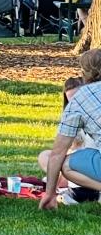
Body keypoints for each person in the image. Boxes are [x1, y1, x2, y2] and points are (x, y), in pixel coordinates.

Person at [39, 50, 101, 211]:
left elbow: (58, 153)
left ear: (85, 72)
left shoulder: (81, 98)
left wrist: (50, 193)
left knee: (66, 164)